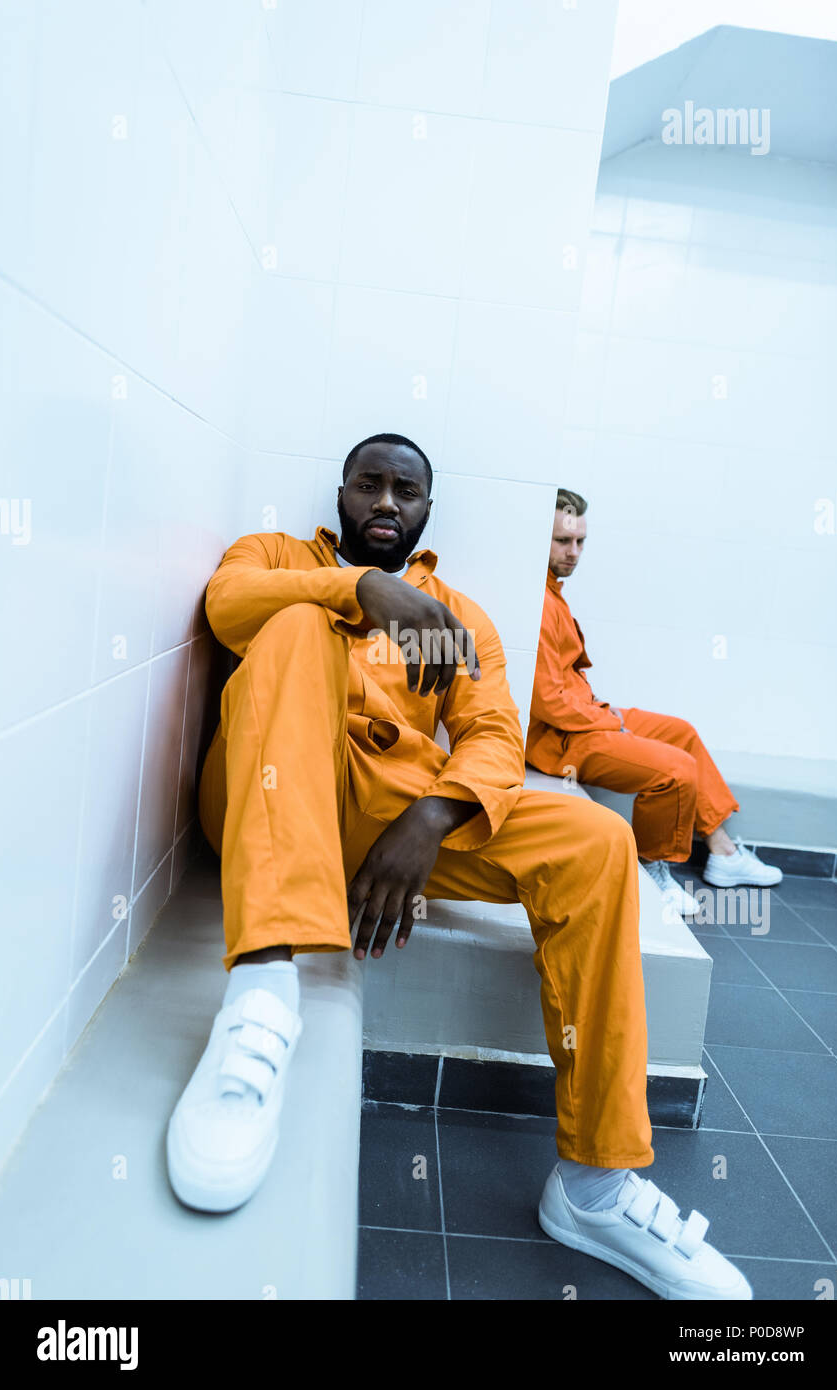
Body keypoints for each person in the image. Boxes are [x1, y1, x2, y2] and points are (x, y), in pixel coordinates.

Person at [167, 435, 752, 1300]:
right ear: (340, 494)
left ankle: (594, 1184)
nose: (385, 502)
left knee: (594, 843)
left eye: (405, 490)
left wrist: (433, 816)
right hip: (270, 790)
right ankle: (259, 999)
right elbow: (226, 606)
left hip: (397, 820)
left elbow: (490, 737)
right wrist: (357, 591)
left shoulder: (459, 615)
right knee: (290, 626)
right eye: (369, 484)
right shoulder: (277, 558)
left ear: (427, 511)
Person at [526, 489, 782, 918]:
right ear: (536, 538)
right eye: (562, 541)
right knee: (674, 770)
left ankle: (722, 851)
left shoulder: (553, 592)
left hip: (585, 717)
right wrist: (607, 722)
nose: (574, 553)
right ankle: (649, 871)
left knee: (682, 732)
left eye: (580, 542)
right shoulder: (533, 600)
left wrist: (605, 716)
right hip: (560, 738)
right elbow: (550, 704)